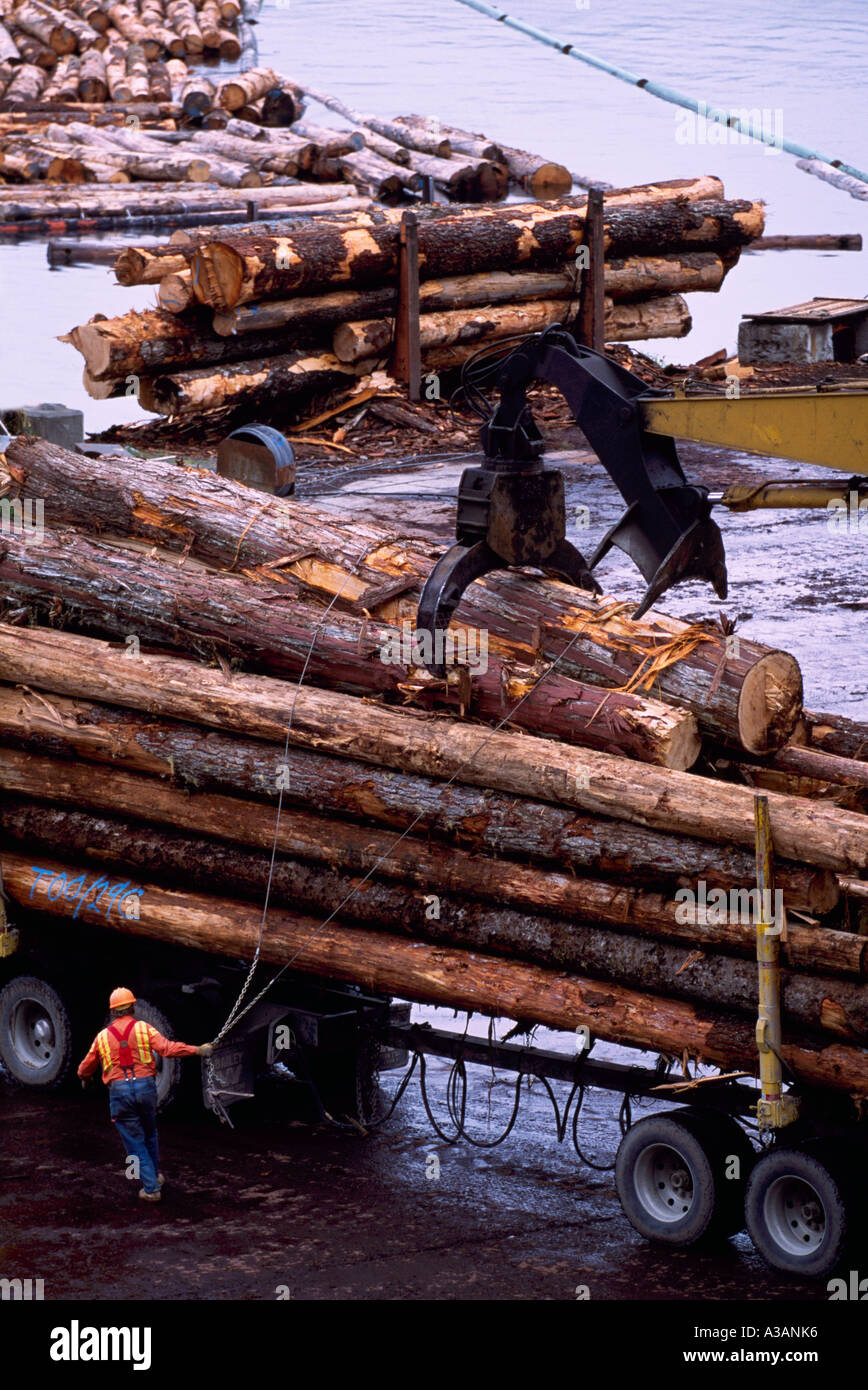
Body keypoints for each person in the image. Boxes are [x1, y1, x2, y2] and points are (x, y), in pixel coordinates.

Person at [78, 987, 214, 1203]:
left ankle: (150, 1189)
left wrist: (85, 1078)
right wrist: (197, 1050)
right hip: (145, 1089)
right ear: (132, 1007)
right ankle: (155, 1176)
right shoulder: (144, 1029)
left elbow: (85, 1066)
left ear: (113, 1012)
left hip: (120, 1092)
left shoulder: (102, 1037)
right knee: (150, 1133)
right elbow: (167, 1049)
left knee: (135, 1141)